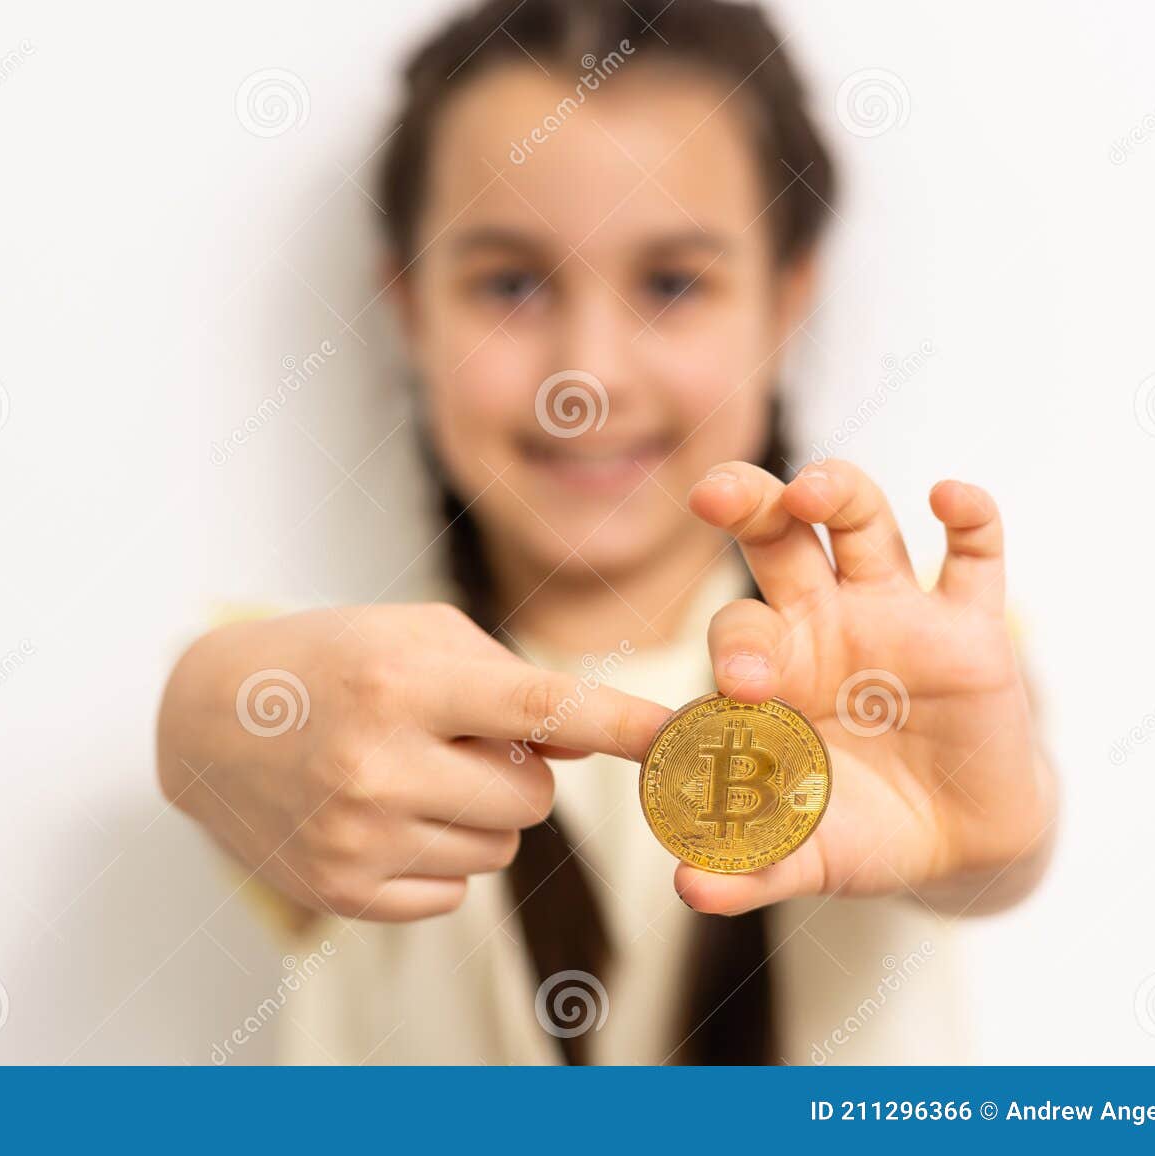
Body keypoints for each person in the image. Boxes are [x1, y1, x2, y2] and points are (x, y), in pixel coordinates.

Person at [159, 0, 1057, 1064]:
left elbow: (990, 835)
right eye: (509, 283)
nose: (587, 373)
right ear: (407, 310)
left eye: (673, 283)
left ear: (785, 302)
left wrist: (982, 832)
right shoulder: (354, 716)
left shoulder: (912, 665)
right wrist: (195, 719)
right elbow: (235, 718)